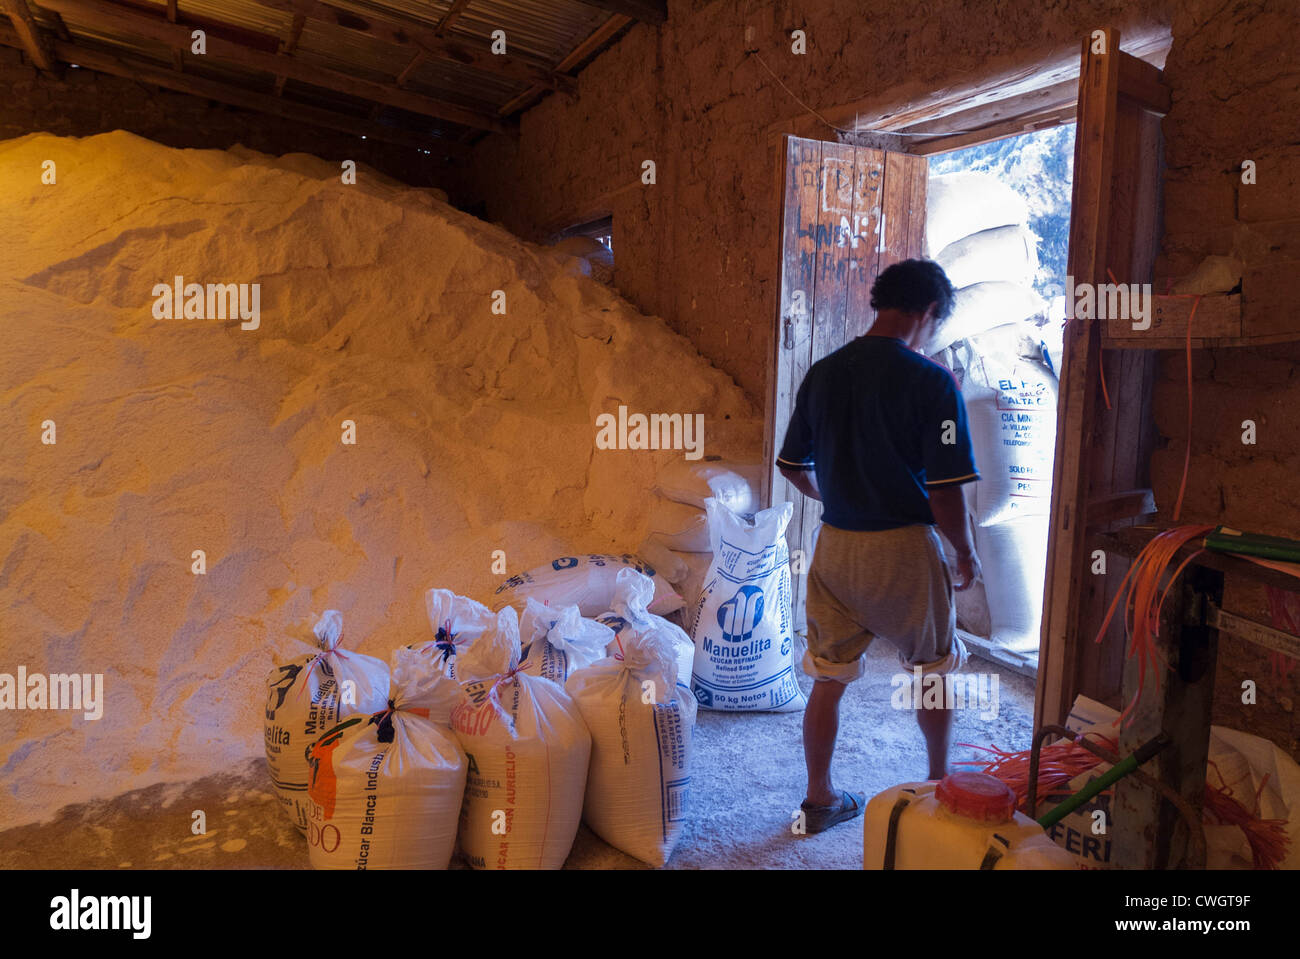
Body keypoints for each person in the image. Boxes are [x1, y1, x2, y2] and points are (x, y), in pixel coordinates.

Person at [777, 258, 982, 834]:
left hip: (836, 546)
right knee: (934, 670)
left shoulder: (823, 373)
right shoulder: (934, 383)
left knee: (828, 676)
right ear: (929, 312)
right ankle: (940, 787)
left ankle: (819, 798)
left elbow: (792, 465)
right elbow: (944, 490)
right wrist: (963, 553)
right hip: (903, 551)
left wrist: (834, 498)